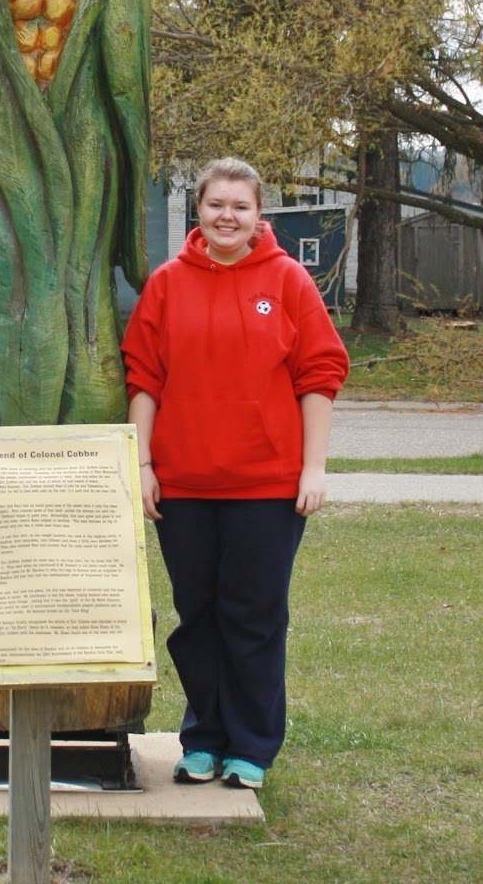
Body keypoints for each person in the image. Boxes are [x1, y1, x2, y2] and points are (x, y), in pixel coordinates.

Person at [122, 157, 350, 791]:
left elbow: (320, 376)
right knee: (197, 616)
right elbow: (145, 377)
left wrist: (313, 467)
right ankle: (204, 739)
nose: (227, 216)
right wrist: (141, 464)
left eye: (240, 206)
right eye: (216, 204)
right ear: (199, 210)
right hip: (184, 486)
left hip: (267, 489)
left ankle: (251, 746)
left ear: (258, 216)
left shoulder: (288, 282)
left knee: (252, 616)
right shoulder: (167, 284)